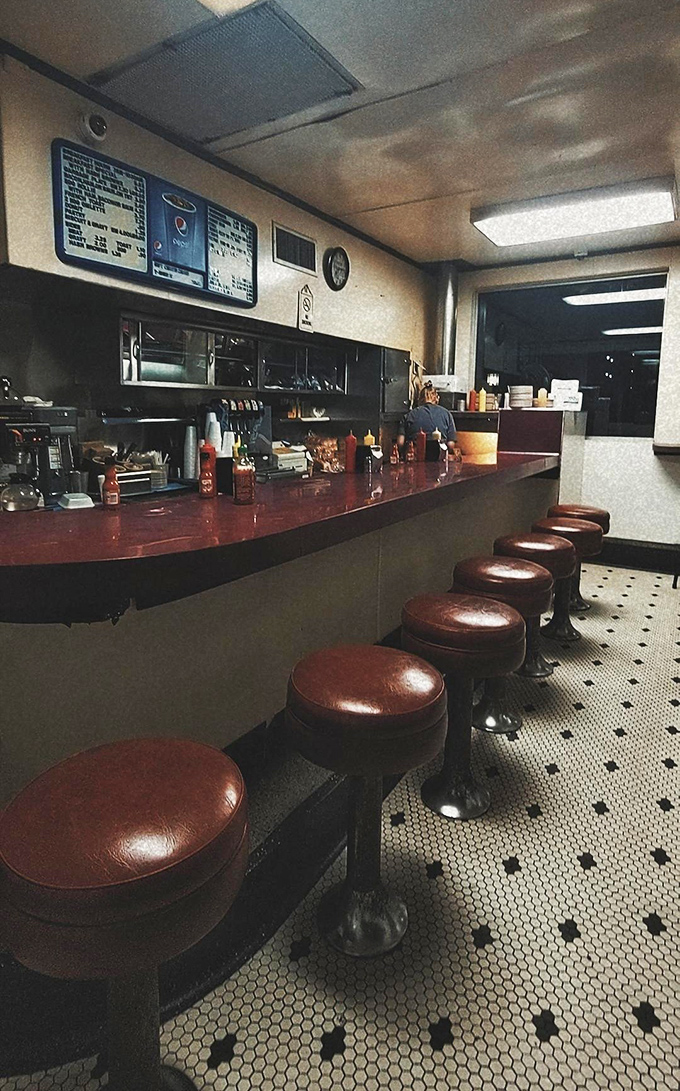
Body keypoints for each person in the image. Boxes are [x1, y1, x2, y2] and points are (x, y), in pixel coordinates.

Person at [398, 381, 458, 449]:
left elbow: (400, 443)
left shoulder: (409, 415)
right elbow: (450, 444)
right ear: (436, 398)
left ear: (420, 398)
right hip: (438, 453)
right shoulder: (447, 414)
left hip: (415, 452)